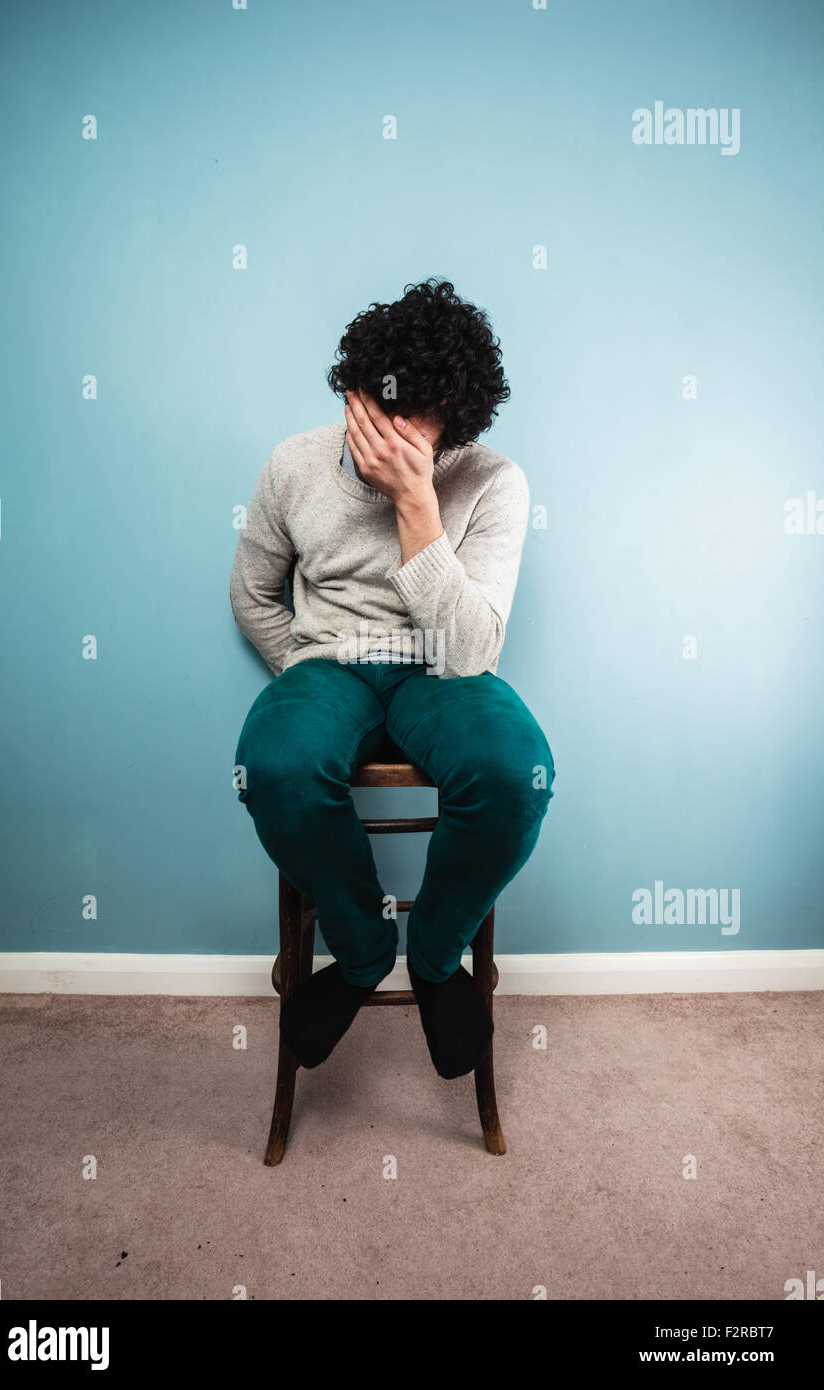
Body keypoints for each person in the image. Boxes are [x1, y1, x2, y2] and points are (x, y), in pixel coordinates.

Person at [230, 278, 555, 1080]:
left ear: (459, 427)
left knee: (517, 775)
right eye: (391, 417)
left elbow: (472, 649)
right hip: (330, 666)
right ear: (357, 395)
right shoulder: (292, 466)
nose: (407, 440)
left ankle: (439, 959)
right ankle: (365, 949)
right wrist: (308, 664)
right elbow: (252, 592)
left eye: (429, 434)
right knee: (274, 765)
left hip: (444, 669)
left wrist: (417, 504)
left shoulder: (493, 482)